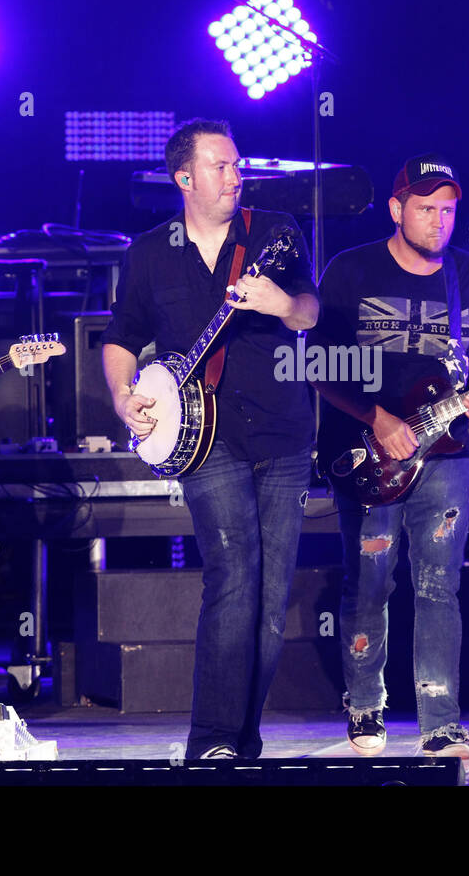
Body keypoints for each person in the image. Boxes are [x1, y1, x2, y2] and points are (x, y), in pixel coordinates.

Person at [102, 118, 319, 760]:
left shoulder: (274, 232)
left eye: (236, 164)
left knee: (271, 598)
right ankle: (213, 740)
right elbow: (119, 337)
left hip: (282, 431)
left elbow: (310, 311)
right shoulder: (149, 252)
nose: (234, 176)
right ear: (185, 178)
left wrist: (278, 303)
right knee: (232, 574)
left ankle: (242, 740)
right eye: (220, 166)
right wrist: (123, 397)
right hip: (203, 437)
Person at [309, 154, 469, 758]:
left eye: (448, 210)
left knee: (438, 586)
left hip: (445, 454)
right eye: (426, 209)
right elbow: (315, 366)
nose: (439, 222)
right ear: (397, 210)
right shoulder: (350, 270)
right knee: (369, 580)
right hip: (367, 452)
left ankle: (440, 721)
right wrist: (378, 419)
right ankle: (366, 708)